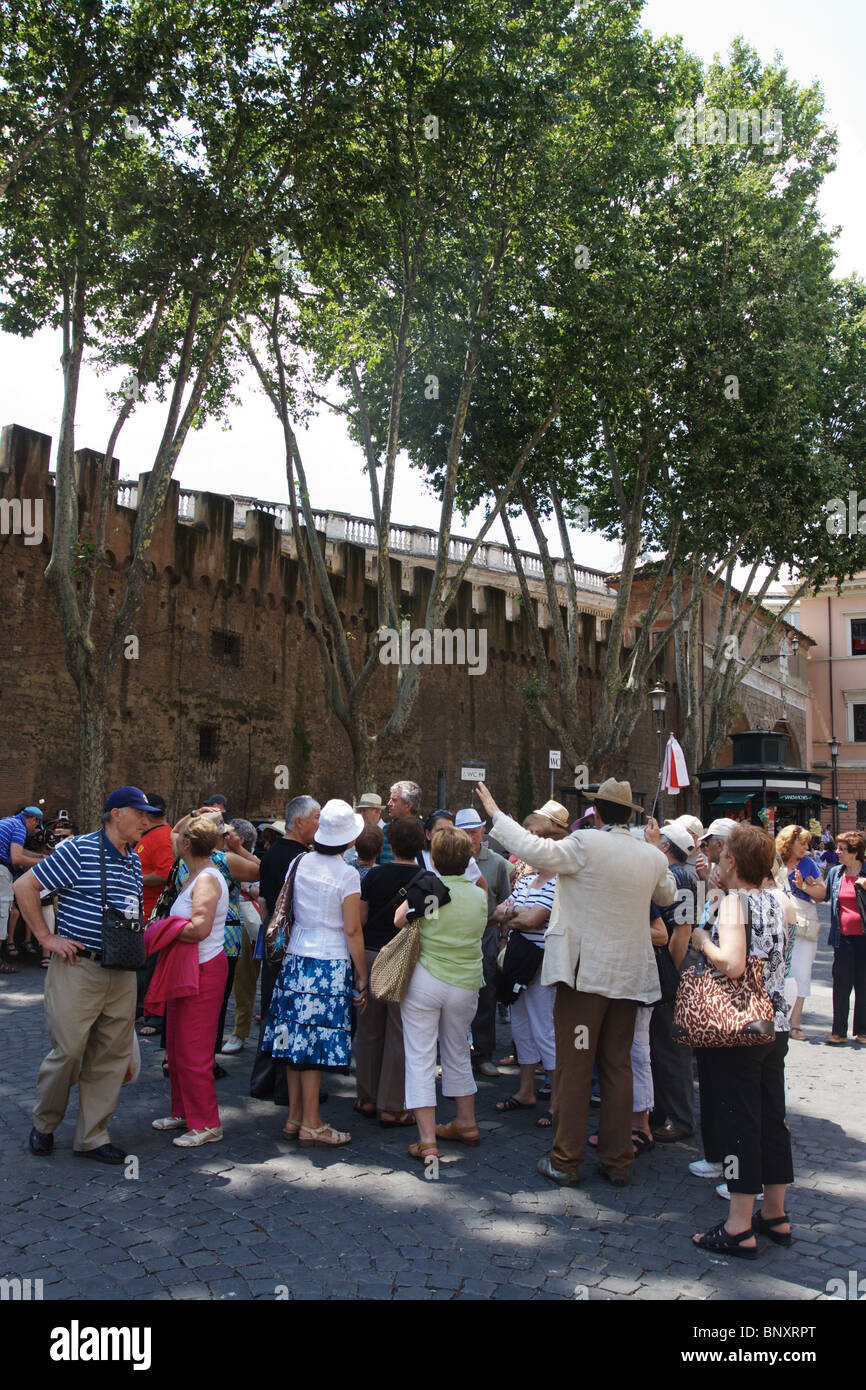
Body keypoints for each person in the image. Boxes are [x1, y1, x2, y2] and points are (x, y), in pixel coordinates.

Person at [475, 778, 676, 1187]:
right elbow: (668, 894)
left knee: (574, 1066)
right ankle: (617, 1160)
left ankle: (566, 1159)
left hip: (586, 980)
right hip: (628, 978)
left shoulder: (586, 844)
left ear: (597, 812)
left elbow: (534, 849)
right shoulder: (650, 856)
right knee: (617, 1066)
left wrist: (496, 813)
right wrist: (654, 849)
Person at [15, 786, 159, 1163]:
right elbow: (25, 885)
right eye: (139, 813)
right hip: (80, 967)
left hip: (121, 969)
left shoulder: (132, 859)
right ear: (115, 814)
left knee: (111, 1055)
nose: (146, 820)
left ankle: (92, 1136)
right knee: (69, 1052)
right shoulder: (79, 850)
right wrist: (46, 937)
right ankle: (44, 1124)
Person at [690, 824, 793, 1256]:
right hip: (775, 1024)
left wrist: (702, 941)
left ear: (731, 860)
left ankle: (738, 1225)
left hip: (739, 1026)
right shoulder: (777, 901)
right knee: (772, 1117)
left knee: (739, 1122)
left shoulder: (735, 904)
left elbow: (731, 963)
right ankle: (775, 1213)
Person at [262, 799, 368, 1147]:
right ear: (349, 840)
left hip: (295, 958)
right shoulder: (347, 874)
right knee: (314, 1047)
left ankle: (295, 1117)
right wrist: (362, 974)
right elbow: (352, 930)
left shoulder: (300, 861)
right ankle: (312, 1123)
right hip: (329, 962)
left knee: (294, 1041)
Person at [396, 825, 488, 1164]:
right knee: (458, 1050)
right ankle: (466, 1123)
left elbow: (399, 921)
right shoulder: (479, 895)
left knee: (420, 1057)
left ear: (434, 857)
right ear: (469, 859)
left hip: (426, 979)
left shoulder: (429, 886)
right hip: (465, 982)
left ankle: (428, 1140)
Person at [151, 814, 230, 1146]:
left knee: (194, 1049)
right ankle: (184, 1111)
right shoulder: (196, 874)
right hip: (188, 969)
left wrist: (158, 930)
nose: (173, 840)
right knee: (177, 1045)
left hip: (203, 971)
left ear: (187, 845)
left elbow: (199, 928)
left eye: (179, 837)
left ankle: (208, 1123)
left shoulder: (207, 880)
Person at [355, 814, 428, 1125]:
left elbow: (360, 920)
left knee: (369, 1029)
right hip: (405, 957)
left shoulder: (373, 877)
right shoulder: (427, 879)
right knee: (399, 1031)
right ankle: (392, 1104)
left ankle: (366, 1097)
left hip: (372, 953)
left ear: (390, 844)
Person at [249, 796, 320, 1104]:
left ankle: (264, 1080)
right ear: (300, 822)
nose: (319, 824)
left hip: (273, 942)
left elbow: (264, 903)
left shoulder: (271, 854)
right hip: (295, 945)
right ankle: (284, 1086)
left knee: (270, 1011)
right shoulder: (305, 860)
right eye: (316, 818)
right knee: (292, 1014)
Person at [492, 818, 563, 1125]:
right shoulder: (526, 881)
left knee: (545, 1029)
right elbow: (499, 913)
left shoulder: (559, 883)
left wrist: (513, 915)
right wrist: (516, 915)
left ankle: (558, 1100)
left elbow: (534, 919)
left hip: (541, 964)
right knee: (521, 1027)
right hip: (520, 961)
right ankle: (525, 1090)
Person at [648, 820, 698, 1143]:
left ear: (666, 847)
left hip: (671, 971)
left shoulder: (677, 878)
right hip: (675, 970)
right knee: (665, 1046)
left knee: (670, 1048)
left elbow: (682, 934)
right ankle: (664, 1111)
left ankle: (680, 1118)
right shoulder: (689, 876)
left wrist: (674, 976)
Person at [455, 808, 514, 1078]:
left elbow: (506, 902)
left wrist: (503, 938)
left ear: (482, 831)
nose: (471, 837)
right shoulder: (447, 861)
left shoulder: (496, 864)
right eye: (465, 832)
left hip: (487, 932)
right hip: (456, 932)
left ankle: (483, 1053)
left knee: (486, 993)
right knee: (454, 995)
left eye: (475, 831)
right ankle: (455, 1054)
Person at [776, 824, 826, 1039]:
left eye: (808, 843)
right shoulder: (774, 862)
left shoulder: (809, 864)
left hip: (803, 925)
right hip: (779, 924)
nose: (806, 847)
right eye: (802, 842)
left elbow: (822, 893)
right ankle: (779, 1019)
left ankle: (794, 1023)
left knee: (802, 972)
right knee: (778, 971)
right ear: (789, 842)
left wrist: (803, 887)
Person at [134, 794, 175, 1037]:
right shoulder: (151, 836)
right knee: (143, 967)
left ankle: (153, 1013)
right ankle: (143, 1008)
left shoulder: (161, 838)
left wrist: (133, 876)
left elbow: (164, 874)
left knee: (151, 968)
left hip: (154, 916)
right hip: (144, 914)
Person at [221, 818, 263, 1054]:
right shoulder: (220, 856)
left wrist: (237, 849)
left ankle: (240, 1031)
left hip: (245, 924)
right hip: (225, 926)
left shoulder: (242, 859)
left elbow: (261, 874)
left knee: (244, 982)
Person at [824, 831, 866, 1044]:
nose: (837, 852)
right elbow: (823, 895)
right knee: (841, 983)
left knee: (864, 984)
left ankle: (862, 1031)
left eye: (842, 849)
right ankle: (838, 1031)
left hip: (864, 937)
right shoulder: (835, 873)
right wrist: (804, 885)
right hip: (843, 937)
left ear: (855, 852)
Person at [0, 805, 46, 969]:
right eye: (35, 826)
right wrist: (42, 862)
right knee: (2, 914)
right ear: (32, 819)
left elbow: (20, 851)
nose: (33, 830)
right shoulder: (19, 828)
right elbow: (17, 858)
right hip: (1, 871)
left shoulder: (8, 822)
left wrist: (39, 856)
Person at [346, 794, 392, 866]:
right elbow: (347, 857)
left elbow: (386, 863)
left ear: (377, 811)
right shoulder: (357, 831)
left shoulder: (387, 832)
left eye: (364, 810)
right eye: (360, 811)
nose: (361, 814)